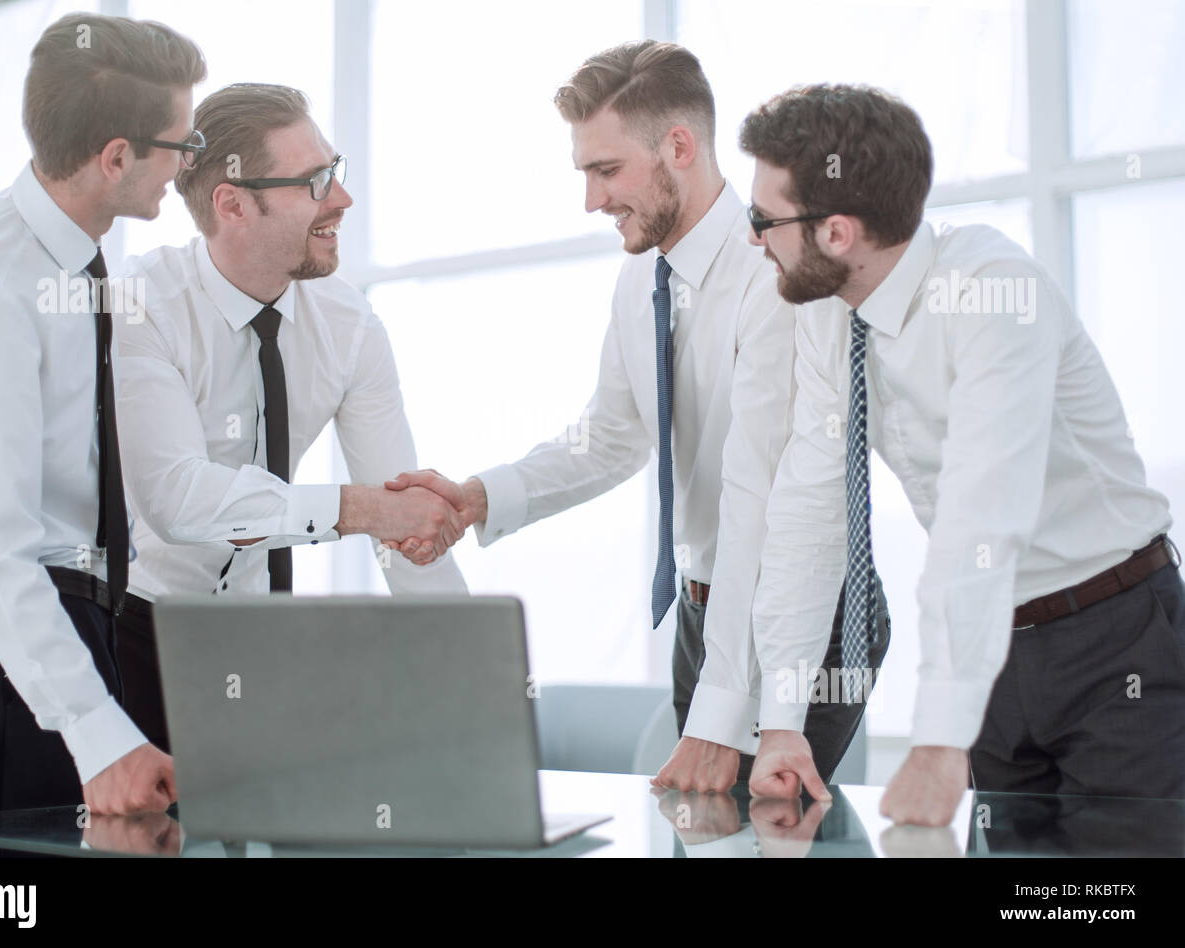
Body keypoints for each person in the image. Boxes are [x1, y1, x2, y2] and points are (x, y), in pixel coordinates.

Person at [386, 41, 888, 791]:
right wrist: (480, 496)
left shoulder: (776, 272)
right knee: (710, 831)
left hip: (800, 612)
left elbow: (759, 497)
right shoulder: (639, 281)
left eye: (606, 170)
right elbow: (610, 437)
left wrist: (723, 716)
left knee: (760, 830)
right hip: (703, 608)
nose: (592, 200)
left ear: (678, 147)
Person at [739, 83, 1185, 825]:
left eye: (764, 219)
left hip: (1114, 641)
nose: (754, 239)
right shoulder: (826, 321)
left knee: (1113, 902)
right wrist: (783, 718)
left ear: (838, 233)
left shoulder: (991, 291)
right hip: (994, 653)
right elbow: (809, 515)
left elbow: (982, 510)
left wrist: (940, 740)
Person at [0, 14, 206, 822]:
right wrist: (98, 733)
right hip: (7, 644)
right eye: (183, 144)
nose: (189, 164)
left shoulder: (77, 262)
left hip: (76, 622)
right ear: (116, 157)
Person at [113, 83, 468, 752]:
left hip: (256, 642)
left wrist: (471, 667)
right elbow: (179, 501)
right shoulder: (140, 305)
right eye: (315, 181)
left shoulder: (350, 326)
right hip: (131, 630)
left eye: (334, 171)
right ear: (234, 203)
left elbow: (402, 509)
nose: (342, 198)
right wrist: (364, 511)